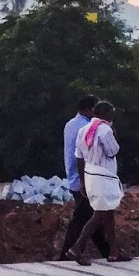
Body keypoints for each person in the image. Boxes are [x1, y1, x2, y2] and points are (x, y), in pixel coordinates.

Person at [70, 100, 128, 265]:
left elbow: (79, 157)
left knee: (108, 213)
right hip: (105, 176)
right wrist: (113, 130)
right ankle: (77, 247)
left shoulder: (83, 130)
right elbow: (113, 151)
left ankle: (114, 251)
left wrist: (82, 181)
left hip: (90, 174)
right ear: (106, 113)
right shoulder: (105, 130)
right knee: (100, 214)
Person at [57, 95, 110, 261]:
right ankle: (67, 254)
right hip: (85, 180)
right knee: (81, 220)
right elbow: (87, 156)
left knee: (92, 219)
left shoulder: (70, 125)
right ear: (88, 109)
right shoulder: (88, 128)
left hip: (75, 179)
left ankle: (109, 252)